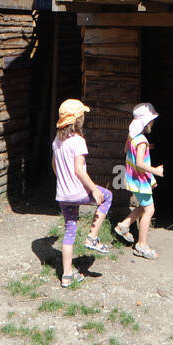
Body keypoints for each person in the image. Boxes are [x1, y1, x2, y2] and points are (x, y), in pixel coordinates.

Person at [51, 98, 112, 287]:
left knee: (70, 230)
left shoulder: (57, 141)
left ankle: (67, 275)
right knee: (107, 196)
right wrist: (93, 189)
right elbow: (79, 170)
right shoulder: (78, 141)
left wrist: (63, 180)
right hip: (78, 192)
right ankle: (92, 237)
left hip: (63, 194)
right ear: (78, 120)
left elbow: (54, 165)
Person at [113, 102, 164, 259]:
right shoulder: (141, 141)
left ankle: (124, 225)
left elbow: (126, 150)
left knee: (144, 206)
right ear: (147, 122)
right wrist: (155, 170)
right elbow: (140, 163)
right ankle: (141, 245)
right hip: (140, 180)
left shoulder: (132, 137)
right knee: (150, 210)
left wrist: (145, 149)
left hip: (132, 178)